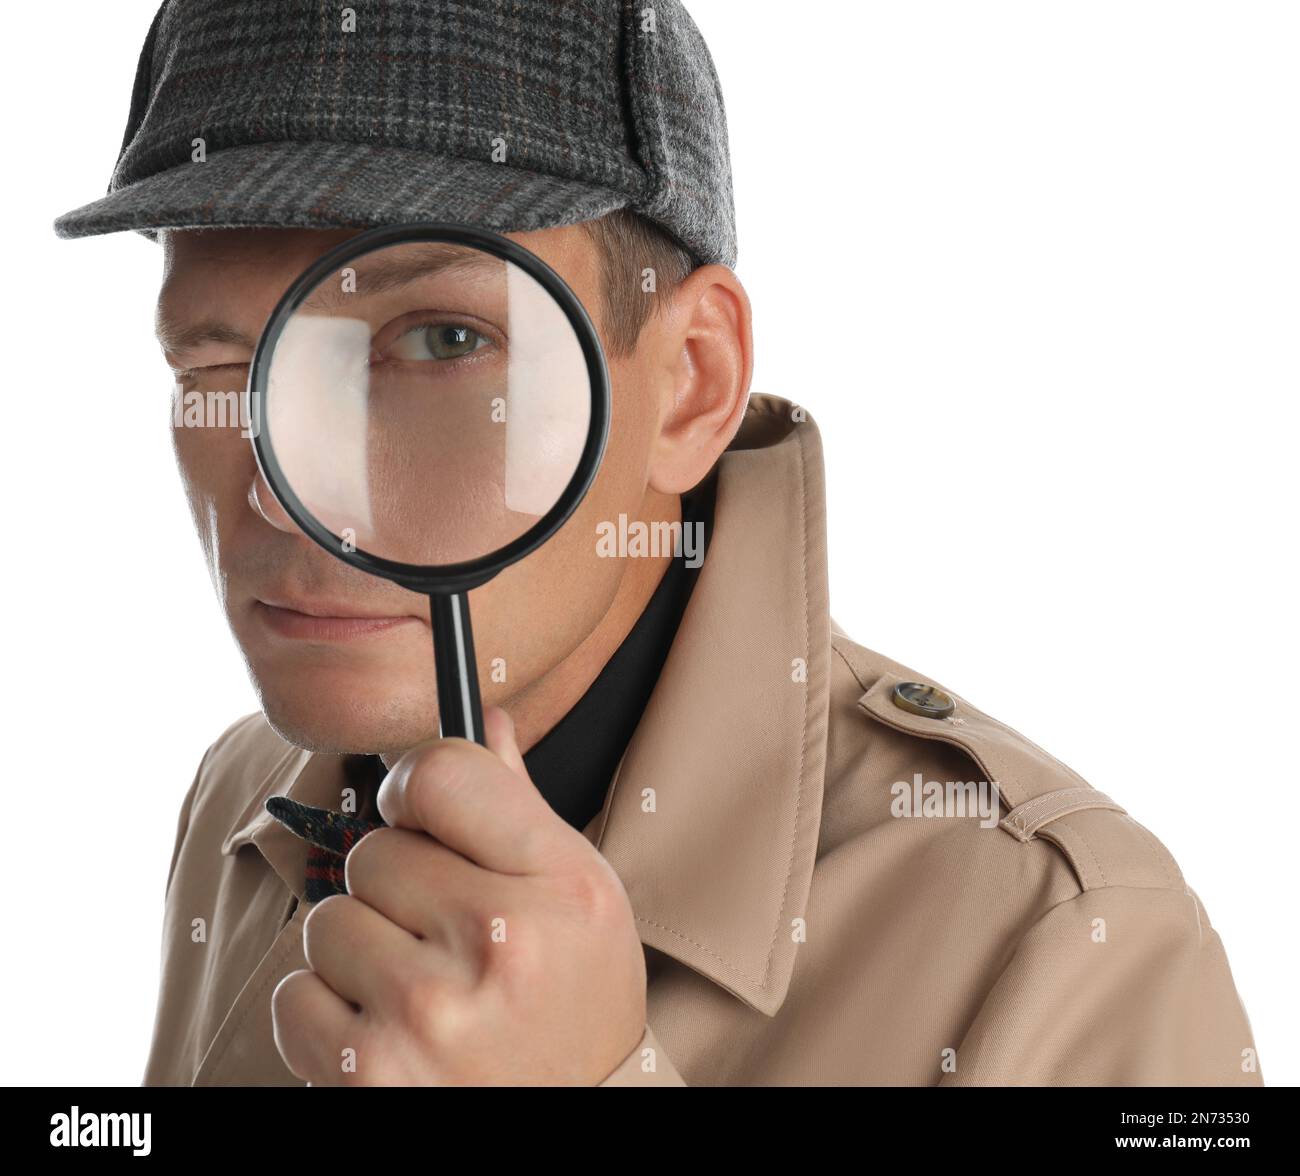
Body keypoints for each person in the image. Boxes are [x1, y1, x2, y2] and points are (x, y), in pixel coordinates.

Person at [55, 0, 1262, 1087]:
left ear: (691, 385)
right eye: (217, 368)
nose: (275, 492)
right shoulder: (248, 802)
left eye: (437, 344)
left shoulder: (1074, 947)